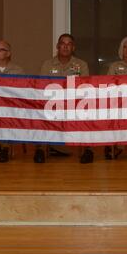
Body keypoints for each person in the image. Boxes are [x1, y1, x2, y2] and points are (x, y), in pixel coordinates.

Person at [35, 34, 93, 164]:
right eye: (63, 43)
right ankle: (40, 149)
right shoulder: (47, 64)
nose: (65, 46)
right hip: (53, 104)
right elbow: (42, 87)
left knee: (88, 112)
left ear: (73, 47)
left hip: (75, 104)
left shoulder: (81, 65)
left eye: (69, 44)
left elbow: (84, 87)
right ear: (57, 46)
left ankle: (88, 150)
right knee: (40, 112)